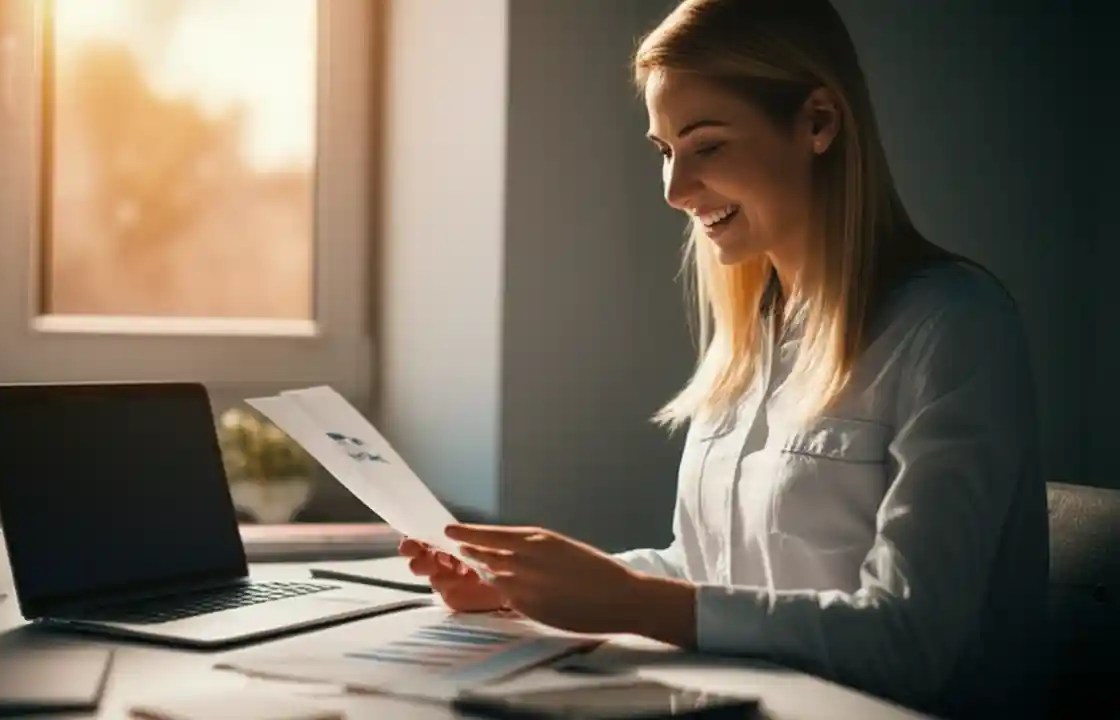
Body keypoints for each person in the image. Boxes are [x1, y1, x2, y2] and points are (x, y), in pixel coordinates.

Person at [398, 0, 1049, 717]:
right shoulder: (752, 336)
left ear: (819, 123)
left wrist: (632, 602)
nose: (675, 191)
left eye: (706, 146)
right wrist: (534, 589)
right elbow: (706, 576)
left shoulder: (952, 328)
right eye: (665, 151)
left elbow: (910, 643)